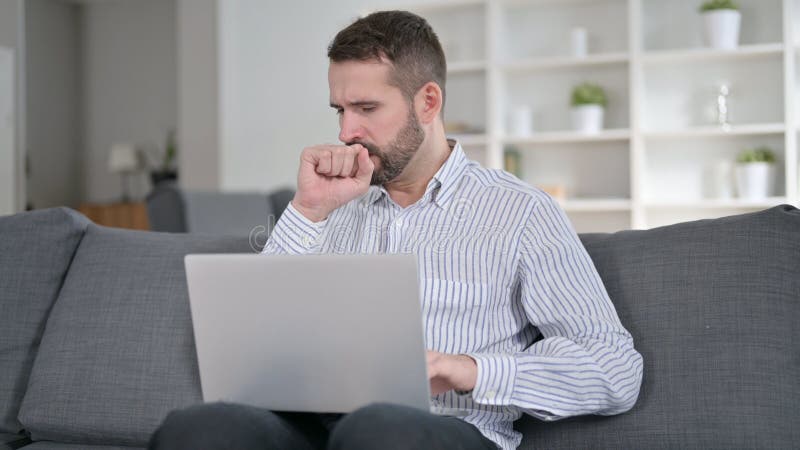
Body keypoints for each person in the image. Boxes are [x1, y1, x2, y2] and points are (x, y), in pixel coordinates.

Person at [149, 10, 643, 450]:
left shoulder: (520, 213)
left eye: (365, 109)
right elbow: (254, 345)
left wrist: (465, 369)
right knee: (197, 429)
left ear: (427, 102)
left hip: (444, 431)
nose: (346, 132)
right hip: (314, 425)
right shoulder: (333, 204)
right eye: (340, 111)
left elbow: (615, 368)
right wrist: (309, 210)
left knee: (380, 429)